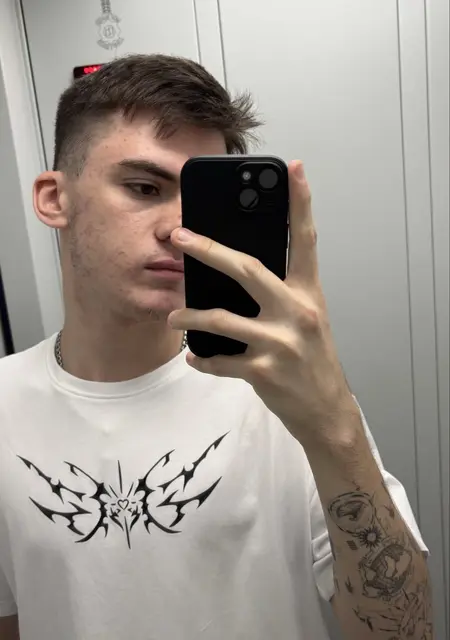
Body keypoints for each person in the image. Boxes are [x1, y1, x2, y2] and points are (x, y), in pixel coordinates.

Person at [0, 54, 432, 640]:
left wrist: (334, 425)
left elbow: (406, 630)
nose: (180, 230)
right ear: (55, 197)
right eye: (144, 187)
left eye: (200, 202)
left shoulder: (281, 391)